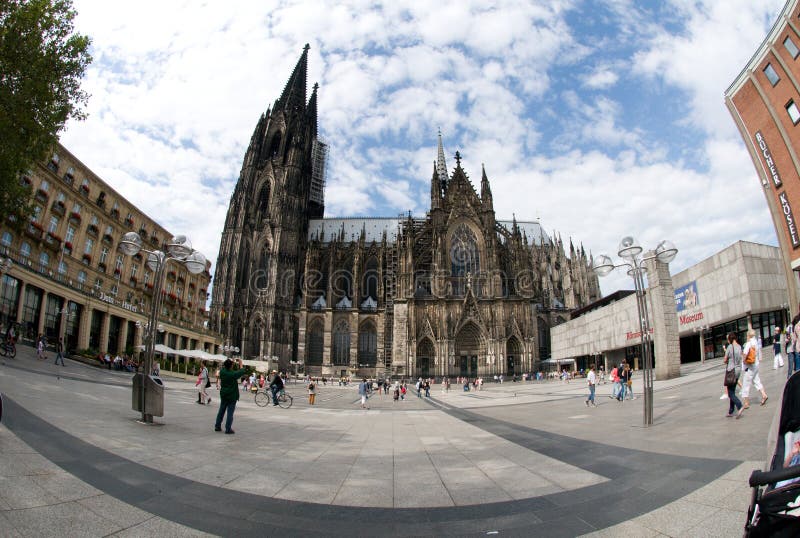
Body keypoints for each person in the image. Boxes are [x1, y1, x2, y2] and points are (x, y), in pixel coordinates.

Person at [214, 358, 246, 434]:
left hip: (224, 394)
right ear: (231, 366)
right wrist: (240, 363)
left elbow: (228, 368)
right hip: (232, 395)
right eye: (232, 365)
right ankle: (228, 429)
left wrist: (231, 361)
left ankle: (217, 426)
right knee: (230, 412)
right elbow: (241, 371)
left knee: (221, 410)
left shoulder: (222, 372)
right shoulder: (232, 374)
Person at [741, 329, 768, 409]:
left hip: (750, 366)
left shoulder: (748, 343)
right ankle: (764, 395)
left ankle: (746, 402)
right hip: (755, 364)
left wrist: (743, 360)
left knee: (746, 383)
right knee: (756, 380)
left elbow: (745, 354)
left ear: (748, 335)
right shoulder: (755, 342)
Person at [724, 332, 745, 419]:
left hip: (731, 371)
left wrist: (726, 359)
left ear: (730, 339)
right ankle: (731, 411)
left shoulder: (730, 347)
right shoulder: (739, 346)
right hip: (738, 370)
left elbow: (725, 359)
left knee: (730, 393)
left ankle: (740, 406)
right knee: (732, 389)